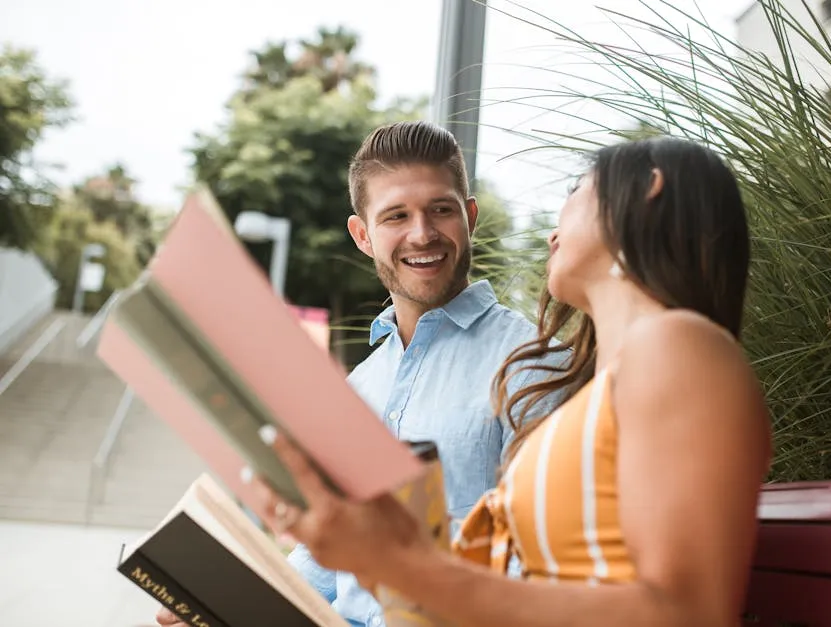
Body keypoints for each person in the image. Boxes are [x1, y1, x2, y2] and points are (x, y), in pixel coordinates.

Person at [248, 136, 774, 627]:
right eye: (396, 216)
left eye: (575, 189)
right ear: (362, 234)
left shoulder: (673, 346)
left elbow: (687, 610)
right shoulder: (615, 377)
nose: (552, 227)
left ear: (648, 187)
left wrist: (405, 568)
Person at [156, 121, 566, 627]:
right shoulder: (360, 385)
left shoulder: (534, 363)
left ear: (471, 216)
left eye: (441, 209)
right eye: (397, 215)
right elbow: (330, 568)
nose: (422, 234)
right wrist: (227, 609)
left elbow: (546, 565)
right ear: (363, 235)